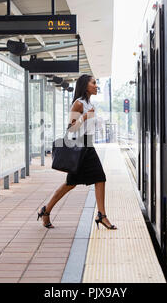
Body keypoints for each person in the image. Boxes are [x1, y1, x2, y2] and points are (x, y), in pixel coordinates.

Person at [37, 75, 117, 230]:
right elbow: (71, 128)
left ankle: (46, 211)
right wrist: (86, 117)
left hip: (88, 147)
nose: (96, 86)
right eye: (93, 83)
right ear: (85, 85)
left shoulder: (88, 103)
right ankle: (46, 210)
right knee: (86, 180)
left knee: (80, 182)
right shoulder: (79, 104)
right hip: (81, 147)